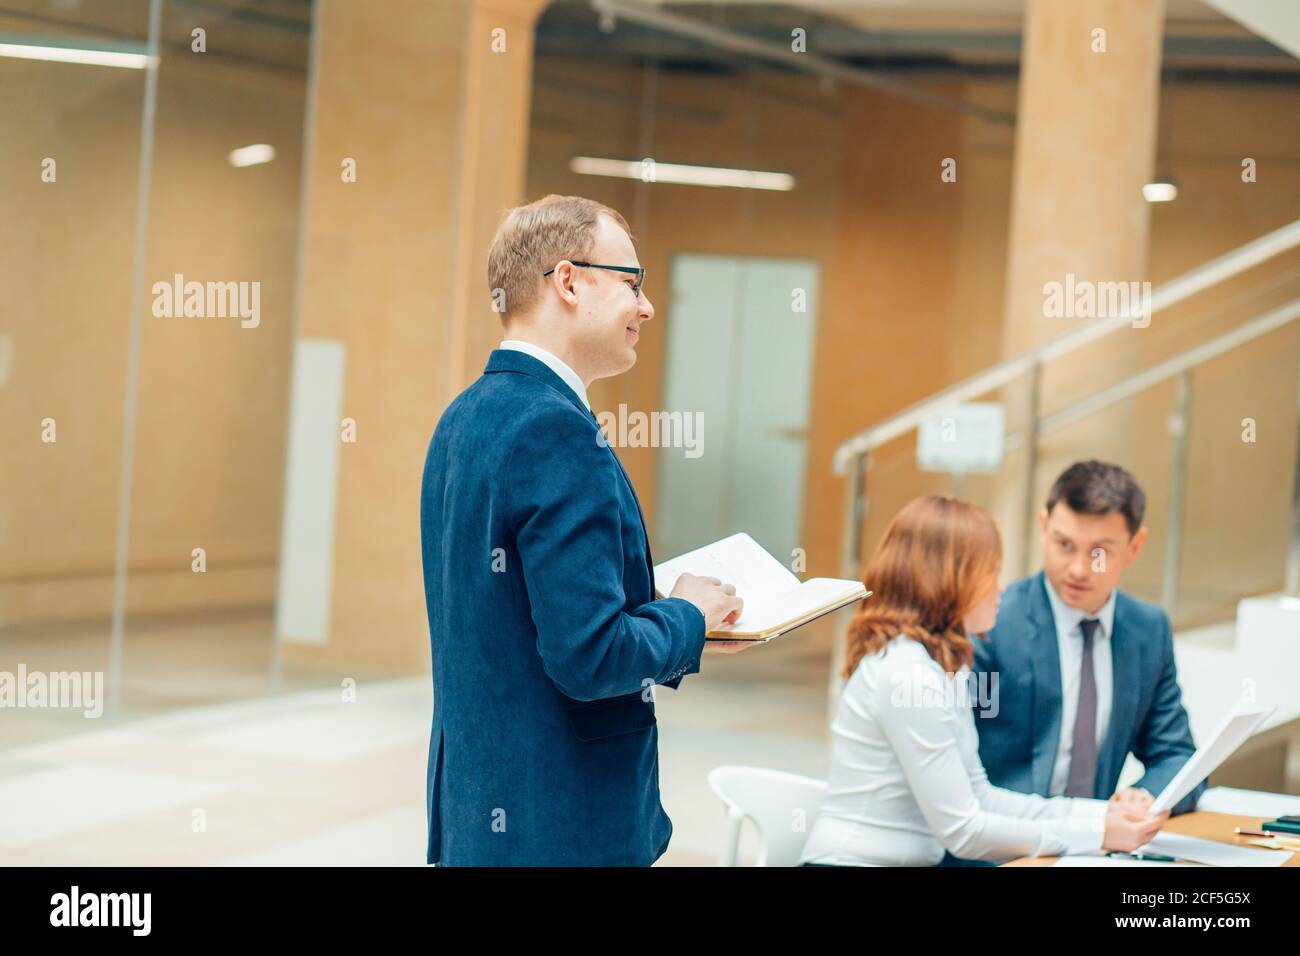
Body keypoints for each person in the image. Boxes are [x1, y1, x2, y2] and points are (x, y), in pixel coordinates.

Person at [420, 194, 749, 866]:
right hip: (558, 827)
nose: (647, 307)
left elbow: (518, 614)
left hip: (480, 817)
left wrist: (669, 617)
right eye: (632, 283)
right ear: (568, 281)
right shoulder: (556, 430)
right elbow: (590, 657)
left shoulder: (462, 418)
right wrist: (685, 617)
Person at [800, 495, 1167, 866]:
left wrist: (1099, 817)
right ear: (950, 580)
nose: (1000, 588)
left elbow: (983, 797)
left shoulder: (942, 663)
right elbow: (964, 832)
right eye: (990, 572)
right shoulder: (907, 674)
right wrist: (1096, 835)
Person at [971, 460, 1203, 817]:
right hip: (1001, 848)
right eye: (1064, 545)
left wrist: (1145, 794)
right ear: (1044, 528)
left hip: (1095, 848)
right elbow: (950, 769)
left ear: (1134, 547)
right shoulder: (992, 623)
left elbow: (1176, 755)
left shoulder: (1147, 630)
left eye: (1099, 553)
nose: (1079, 569)